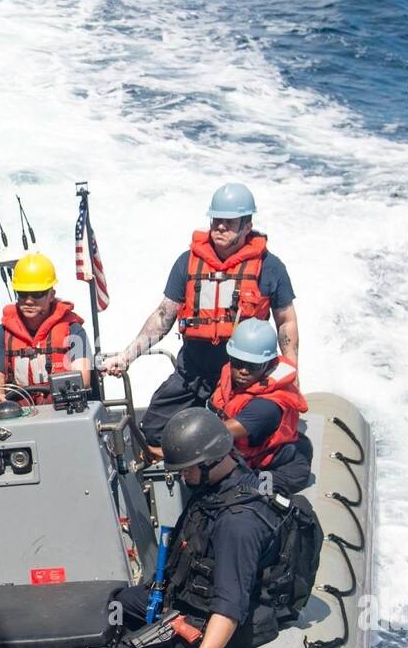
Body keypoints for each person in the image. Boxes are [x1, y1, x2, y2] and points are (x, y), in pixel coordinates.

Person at [93, 408, 286, 648]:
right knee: (117, 605)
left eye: (187, 469)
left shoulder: (237, 522)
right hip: (185, 599)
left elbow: (228, 608)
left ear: (212, 461)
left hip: (208, 623)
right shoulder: (219, 486)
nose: (182, 476)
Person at [103, 183, 298, 458]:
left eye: (229, 222)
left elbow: (286, 322)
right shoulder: (187, 263)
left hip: (241, 375)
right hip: (193, 370)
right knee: (154, 429)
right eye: (216, 220)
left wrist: (291, 372)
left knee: (237, 439)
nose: (220, 227)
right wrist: (126, 357)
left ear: (247, 226)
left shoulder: (270, 267)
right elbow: (163, 316)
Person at [0, 253, 91, 410]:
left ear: (51, 295)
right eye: (22, 294)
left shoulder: (73, 330)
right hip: (19, 415)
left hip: (64, 411)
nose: (29, 300)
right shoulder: (2, 333)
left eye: (37, 294)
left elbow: (83, 379)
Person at [209, 318, 312, 496]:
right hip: (249, 458)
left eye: (253, 366)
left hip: (280, 468)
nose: (243, 371)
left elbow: (215, 432)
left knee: (241, 490)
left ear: (268, 366)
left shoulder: (265, 408)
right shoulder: (234, 380)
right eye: (239, 363)